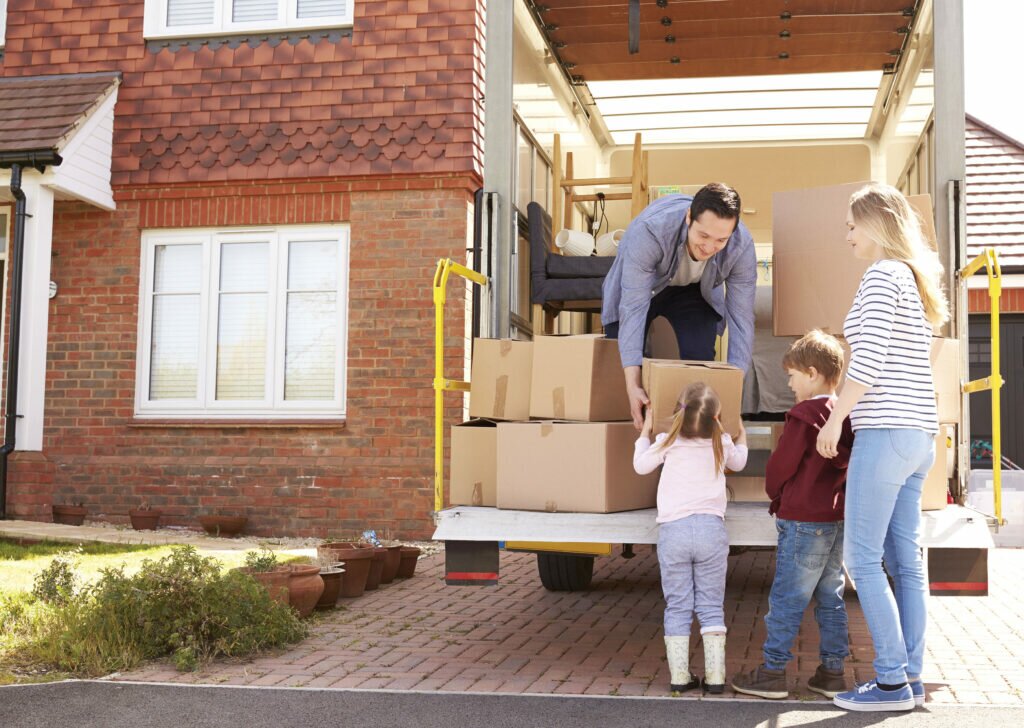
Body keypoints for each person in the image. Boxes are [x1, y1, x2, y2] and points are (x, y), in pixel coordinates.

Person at [816, 183, 948, 712]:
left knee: (861, 559)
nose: (846, 235)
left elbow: (866, 363)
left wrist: (836, 419)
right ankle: (909, 677)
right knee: (905, 562)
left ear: (875, 223)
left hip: (887, 433)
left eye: (851, 225)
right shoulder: (912, 281)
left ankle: (891, 682)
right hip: (919, 437)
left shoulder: (879, 276)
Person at [730, 330, 854, 700]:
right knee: (831, 597)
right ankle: (832, 673)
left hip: (802, 520)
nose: (789, 382)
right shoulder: (844, 415)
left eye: (792, 375)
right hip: (835, 519)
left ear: (812, 374)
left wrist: (776, 495)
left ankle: (772, 672)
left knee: (787, 597)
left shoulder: (803, 416)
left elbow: (781, 465)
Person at [602, 183, 757, 430]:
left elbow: (741, 319)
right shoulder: (651, 232)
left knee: (700, 356)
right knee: (622, 368)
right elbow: (633, 307)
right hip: (645, 287)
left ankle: (692, 439)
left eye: (720, 240)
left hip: (694, 291)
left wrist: (732, 392)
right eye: (703, 236)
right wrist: (632, 385)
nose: (709, 247)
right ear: (688, 218)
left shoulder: (741, 246)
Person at [633, 381, 748, 694]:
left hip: (674, 532)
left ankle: (680, 677)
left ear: (678, 414)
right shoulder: (721, 442)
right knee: (711, 606)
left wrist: (644, 432)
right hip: (712, 531)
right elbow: (740, 462)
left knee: (678, 606)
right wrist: (741, 433)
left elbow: (640, 466)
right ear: (717, 418)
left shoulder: (666, 441)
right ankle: (715, 678)